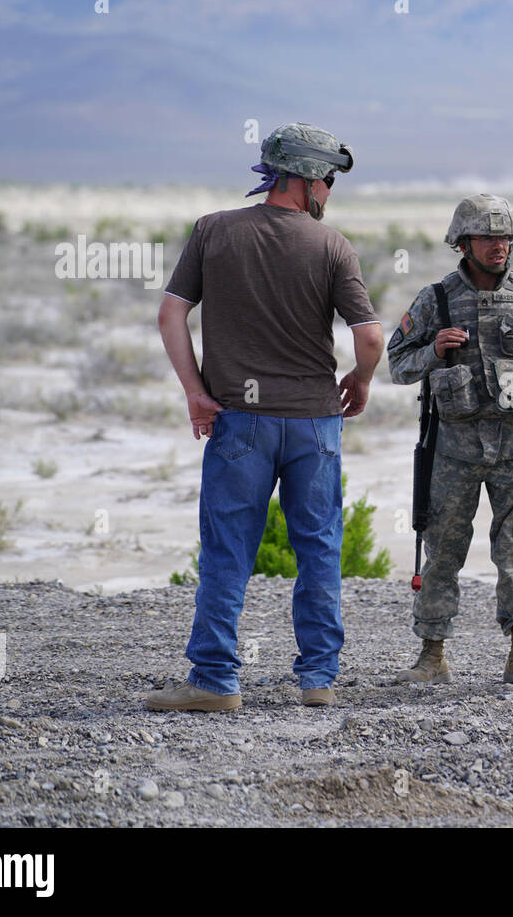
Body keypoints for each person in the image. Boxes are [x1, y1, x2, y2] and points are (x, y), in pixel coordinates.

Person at [147, 122, 384, 712]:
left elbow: (170, 316)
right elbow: (371, 337)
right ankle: (318, 680)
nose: (329, 192)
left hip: (239, 422)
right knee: (320, 547)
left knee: (228, 550)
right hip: (314, 424)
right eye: (327, 180)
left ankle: (215, 682)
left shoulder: (213, 231)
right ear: (304, 179)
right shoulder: (333, 247)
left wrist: (195, 392)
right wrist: (359, 380)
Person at [386, 194, 513, 684]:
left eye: (507, 236)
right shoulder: (437, 299)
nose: (500, 245)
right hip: (454, 447)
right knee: (443, 549)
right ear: (463, 243)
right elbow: (397, 365)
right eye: (489, 237)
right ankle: (432, 656)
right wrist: (433, 349)